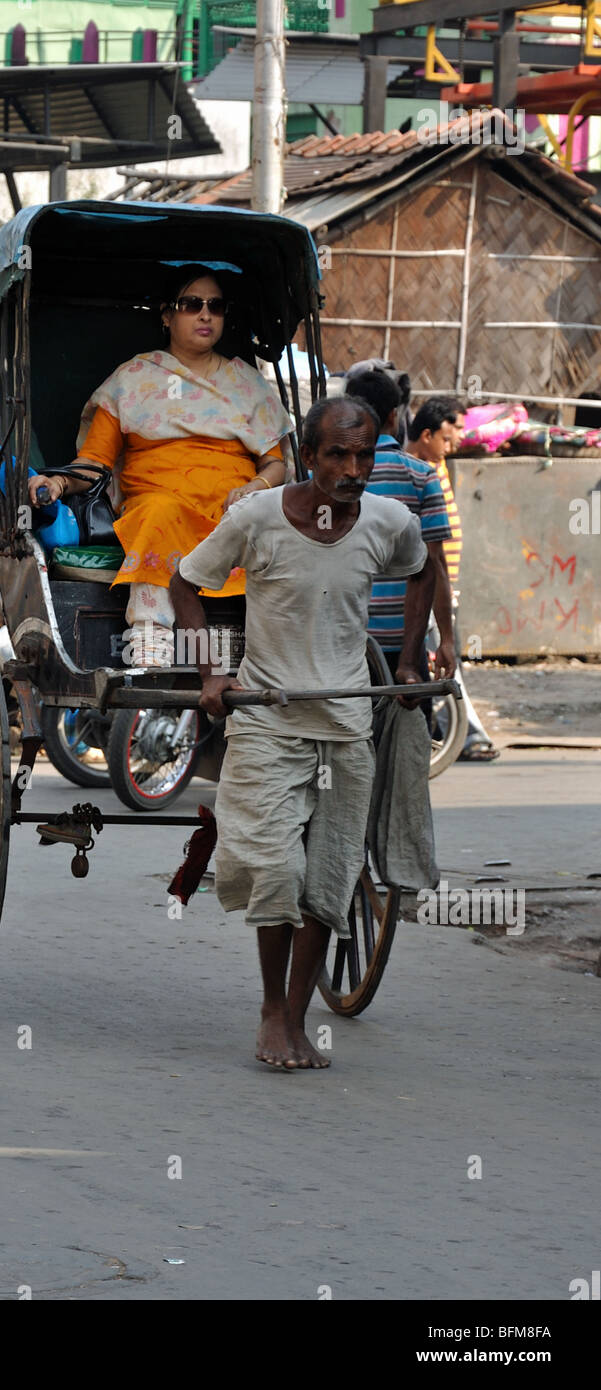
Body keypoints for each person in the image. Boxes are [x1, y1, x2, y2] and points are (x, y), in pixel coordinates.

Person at [170, 396, 437, 1071]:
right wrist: (210, 672)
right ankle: (269, 1009)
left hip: (345, 724)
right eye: (337, 456)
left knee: (327, 875)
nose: (351, 470)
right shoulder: (257, 518)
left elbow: (422, 569)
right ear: (307, 455)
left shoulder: (387, 520)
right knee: (275, 869)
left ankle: (293, 1018)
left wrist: (410, 656)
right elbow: (185, 581)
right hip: (267, 720)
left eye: (363, 456)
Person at [26, 265, 294, 666]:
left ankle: (273, 649)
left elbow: (276, 464)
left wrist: (255, 487)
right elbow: (95, 462)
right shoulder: (132, 379)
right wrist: (60, 484)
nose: (205, 315)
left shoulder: (246, 382)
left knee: (266, 522)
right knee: (160, 512)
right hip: (160, 505)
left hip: (234, 507)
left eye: (215, 306)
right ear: (167, 315)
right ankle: (151, 637)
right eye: (192, 305)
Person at [344, 372, 456, 708]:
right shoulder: (421, 476)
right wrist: (447, 640)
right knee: (405, 747)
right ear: (395, 415)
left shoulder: (323, 476)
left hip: (342, 640)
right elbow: (434, 562)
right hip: (404, 644)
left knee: (345, 745)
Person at [407, 396, 499, 761]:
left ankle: (456, 734)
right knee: (443, 663)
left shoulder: (437, 464)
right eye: (450, 434)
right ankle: (468, 735)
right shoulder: (416, 470)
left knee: (442, 662)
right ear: (427, 434)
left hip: (446, 587)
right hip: (429, 587)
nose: (457, 440)